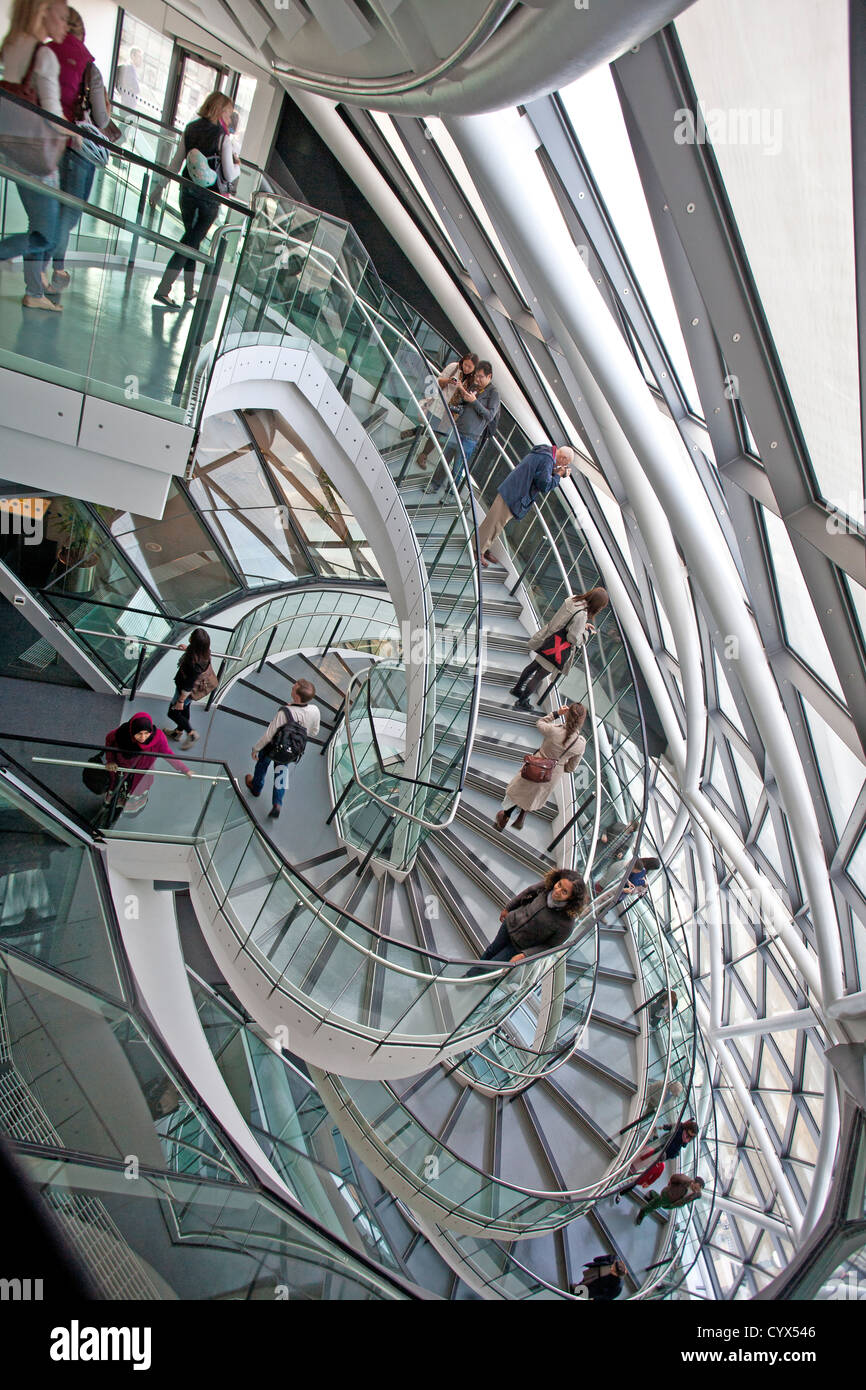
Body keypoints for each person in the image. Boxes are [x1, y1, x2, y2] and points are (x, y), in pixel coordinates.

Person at [0, 0, 74, 311]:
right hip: (38, 159)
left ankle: (34, 290)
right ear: (44, 13)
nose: (65, 26)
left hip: (10, 152)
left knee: (38, 226)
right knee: (47, 236)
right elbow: (54, 116)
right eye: (62, 18)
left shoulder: (12, 43)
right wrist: (79, 133)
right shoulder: (44, 56)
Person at [148, 91, 239, 307]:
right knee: (189, 242)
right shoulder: (222, 137)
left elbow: (176, 162)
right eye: (228, 113)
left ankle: (189, 291)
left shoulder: (190, 128)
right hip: (210, 198)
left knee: (191, 240)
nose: (229, 118)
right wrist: (238, 165)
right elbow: (229, 173)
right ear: (220, 110)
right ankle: (163, 289)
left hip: (186, 192)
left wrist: (159, 187)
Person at [47, 7, 110, 286]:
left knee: (49, 205)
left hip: (46, 139)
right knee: (69, 211)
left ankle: (40, 270)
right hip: (77, 145)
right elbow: (101, 118)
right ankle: (53, 264)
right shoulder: (88, 67)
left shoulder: (46, 52)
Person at [468, 868, 586, 974]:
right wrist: (509, 908)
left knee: (494, 964)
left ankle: (468, 978)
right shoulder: (546, 887)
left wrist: (525, 955)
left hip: (520, 946)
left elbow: (549, 946)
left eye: (564, 891)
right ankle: (470, 974)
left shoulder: (566, 924)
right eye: (559, 884)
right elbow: (528, 892)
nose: (557, 890)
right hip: (510, 924)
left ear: (571, 898)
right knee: (491, 950)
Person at [511, 586, 609, 712]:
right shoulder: (582, 614)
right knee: (538, 676)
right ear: (597, 605)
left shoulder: (573, 599)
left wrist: (581, 626)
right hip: (556, 648)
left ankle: (517, 689)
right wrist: (586, 633)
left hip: (548, 638)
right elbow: (573, 638)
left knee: (533, 666)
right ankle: (521, 701)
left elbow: (567, 621)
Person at [477, 444, 573, 568]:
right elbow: (544, 484)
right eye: (565, 463)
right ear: (564, 458)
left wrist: (554, 471)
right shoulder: (548, 459)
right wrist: (558, 475)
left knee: (496, 522)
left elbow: (539, 474)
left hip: (513, 489)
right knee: (494, 523)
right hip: (515, 493)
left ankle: (483, 547)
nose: (563, 466)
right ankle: (478, 550)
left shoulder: (545, 452)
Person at [495, 702, 586, 832]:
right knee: (535, 795)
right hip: (553, 773)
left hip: (536, 764)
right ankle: (521, 816)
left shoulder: (554, 730)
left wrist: (556, 713)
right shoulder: (580, 744)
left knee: (519, 790)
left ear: (567, 715)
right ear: (581, 721)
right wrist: (558, 766)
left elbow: (540, 722)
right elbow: (571, 768)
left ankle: (505, 817)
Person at [245, 679, 320, 819]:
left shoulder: (284, 713)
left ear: (297, 697)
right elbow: (314, 732)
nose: (292, 687)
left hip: (272, 747)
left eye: (294, 687)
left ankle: (256, 788)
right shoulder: (315, 710)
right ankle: (277, 803)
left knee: (262, 765)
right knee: (281, 772)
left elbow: (269, 736)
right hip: (290, 750)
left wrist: (255, 749)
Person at [103, 711, 191, 819]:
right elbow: (109, 744)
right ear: (132, 730)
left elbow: (168, 754)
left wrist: (184, 769)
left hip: (140, 777)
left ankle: (119, 815)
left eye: (146, 733)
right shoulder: (120, 734)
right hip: (119, 774)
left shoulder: (158, 738)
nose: (143, 737)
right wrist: (110, 761)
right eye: (139, 733)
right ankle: (111, 813)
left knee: (132, 797)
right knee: (116, 794)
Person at [435, 360, 499, 490]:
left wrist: (475, 402)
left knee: (458, 468)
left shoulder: (493, 393)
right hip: (457, 429)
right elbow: (465, 401)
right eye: (476, 376)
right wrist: (462, 390)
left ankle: (451, 493)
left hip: (470, 437)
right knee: (444, 460)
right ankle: (435, 484)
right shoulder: (475, 386)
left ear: (489, 376)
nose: (477, 379)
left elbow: (489, 416)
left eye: (480, 377)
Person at [415, 352, 477, 469]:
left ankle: (423, 455)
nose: (466, 368)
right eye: (465, 364)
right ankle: (414, 434)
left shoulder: (472, 380)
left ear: (474, 368)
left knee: (437, 434)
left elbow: (467, 398)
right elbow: (438, 380)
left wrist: (460, 387)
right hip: (440, 404)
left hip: (451, 412)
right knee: (431, 428)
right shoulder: (454, 367)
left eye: (470, 367)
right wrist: (449, 381)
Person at [615, 1120, 698, 1201]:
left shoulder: (685, 1139)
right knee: (638, 1163)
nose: (688, 1136)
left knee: (638, 1175)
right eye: (689, 1133)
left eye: (691, 1136)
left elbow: (656, 1174)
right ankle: (618, 1179)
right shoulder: (679, 1128)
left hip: (664, 1153)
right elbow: (671, 1128)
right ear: (688, 1128)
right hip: (660, 1147)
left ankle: (621, 1191)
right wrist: (663, 1127)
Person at [164, 627, 212, 748]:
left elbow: (189, 684)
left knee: (173, 712)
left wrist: (180, 700)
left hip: (185, 691)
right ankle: (177, 733)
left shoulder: (193, 663)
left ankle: (191, 733)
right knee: (185, 710)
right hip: (190, 692)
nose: (190, 637)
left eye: (192, 636)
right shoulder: (203, 653)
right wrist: (187, 650)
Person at [636, 1174, 704, 1225]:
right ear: (695, 1182)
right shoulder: (685, 1180)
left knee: (662, 1204)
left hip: (673, 1203)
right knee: (655, 1205)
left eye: (700, 1188)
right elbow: (674, 1178)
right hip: (668, 1195)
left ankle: (653, 1194)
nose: (698, 1189)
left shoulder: (695, 1194)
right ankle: (643, 1212)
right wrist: (671, 1187)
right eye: (699, 1186)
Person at [114, 45, 141, 109]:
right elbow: (135, 88)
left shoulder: (132, 69)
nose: (140, 59)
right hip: (126, 105)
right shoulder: (128, 68)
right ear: (132, 56)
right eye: (139, 56)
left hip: (127, 105)